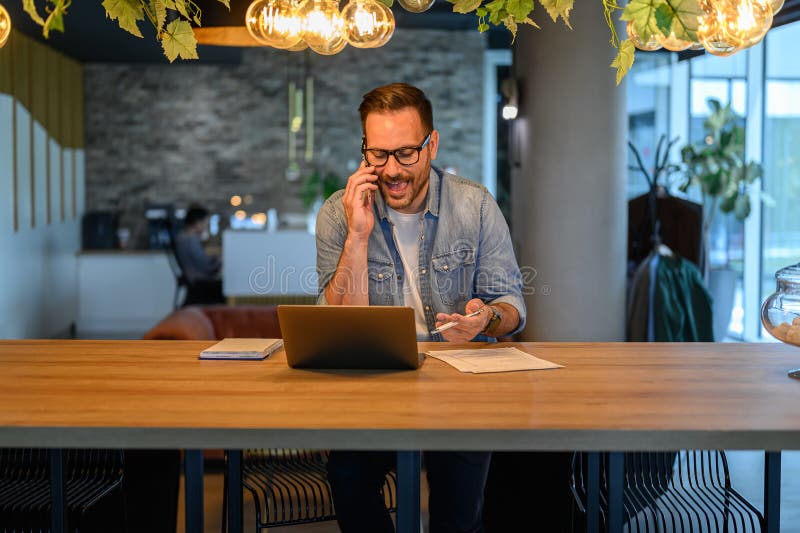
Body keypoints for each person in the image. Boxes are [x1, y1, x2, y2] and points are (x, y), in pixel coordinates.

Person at [315, 83, 526, 533]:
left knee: (458, 515)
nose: (391, 170)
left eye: (406, 153)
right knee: (348, 480)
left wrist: (484, 318)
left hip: (460, 392)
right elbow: (337, 327)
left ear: (432, 144)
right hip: (372, 389)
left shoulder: (475, 205)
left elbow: (511, 305)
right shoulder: (339, 211)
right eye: (377, 154)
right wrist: (357, 234)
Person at [174, 205, 224, 305]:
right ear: (197, 222)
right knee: (227, 287)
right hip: (199, 282)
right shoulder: (190, 240)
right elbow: (206, 266)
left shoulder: (181, 237)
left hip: (193, 280)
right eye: (206, 222)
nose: (206, 226)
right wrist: (218, 261)